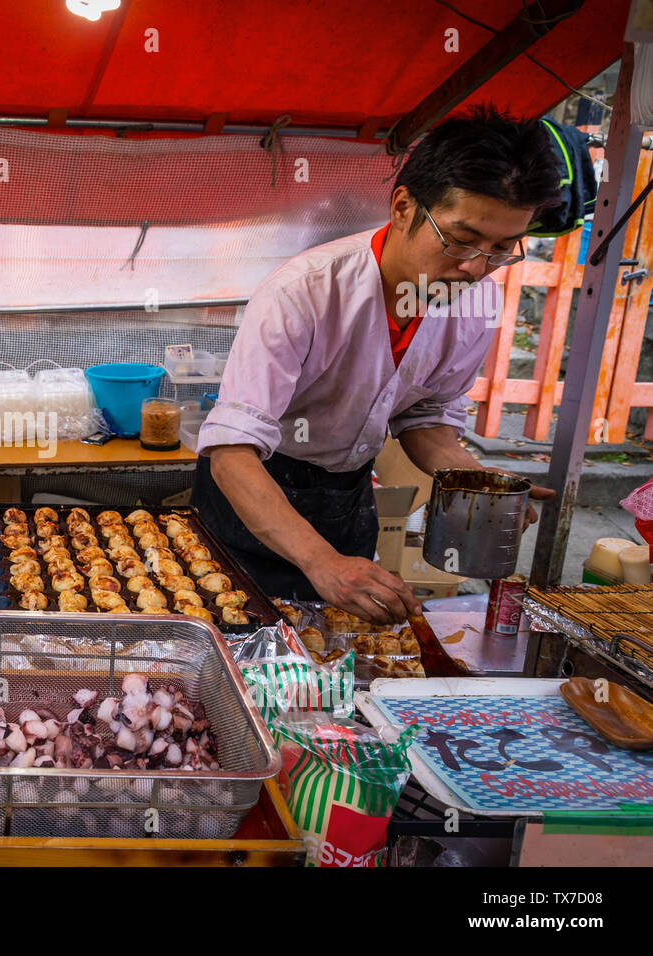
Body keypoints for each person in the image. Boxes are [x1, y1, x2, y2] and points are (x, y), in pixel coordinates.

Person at [192, 105, 560, 625]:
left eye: (502, 249)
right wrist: (323, 563)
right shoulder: (304, 292)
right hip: (257, 491)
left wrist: (478, 482)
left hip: (348, 494)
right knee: (242, 633)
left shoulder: (476, 302)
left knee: (337, 650)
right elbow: (232, 452)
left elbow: (426, 421)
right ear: (405, 206)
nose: (475, 268)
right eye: (461, 240)